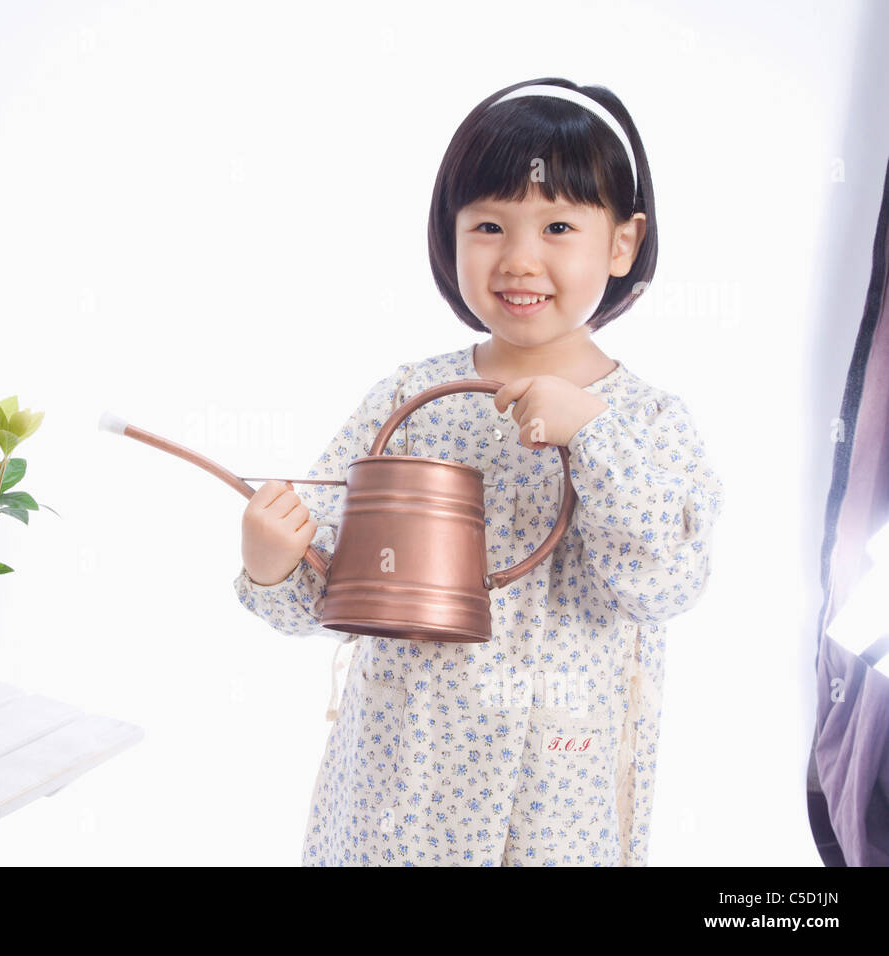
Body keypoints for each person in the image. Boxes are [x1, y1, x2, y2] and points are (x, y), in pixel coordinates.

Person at [234, 77, 725, 866]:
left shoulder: (651, 425)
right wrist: (272, 565)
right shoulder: (408, 400)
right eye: (490, 225)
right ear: (451, 234)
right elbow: (327, 588)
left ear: (623, 243)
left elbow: (663, 583)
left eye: (558, 225)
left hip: (558, 797)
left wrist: (590, 436)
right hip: (403, 789)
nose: (519, 258)